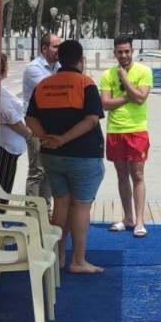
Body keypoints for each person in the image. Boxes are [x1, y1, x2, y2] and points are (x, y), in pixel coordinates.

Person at [25, 40, 105, 274]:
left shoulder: (45, 85)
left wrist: (46, 138)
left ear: (59, 60)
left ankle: (58, 257)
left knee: (60, 202)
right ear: (81, 60)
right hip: (83, 156)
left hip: (52, 156)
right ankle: (78, 260)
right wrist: (64, 138)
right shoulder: (85, 84)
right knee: (81, 206)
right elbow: (91, 120)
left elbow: (30, 119)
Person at [100, 36, 153, 238]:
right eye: (120, 51)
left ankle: (139, 221)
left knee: (137, 175)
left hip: (137, 129)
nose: (123, 55)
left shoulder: (143, 71)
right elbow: (105, 104)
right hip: (115, 130)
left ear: (133, 51)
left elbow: (141, 99)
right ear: (115, 53)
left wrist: (124, 80)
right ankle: (128, 217)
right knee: (121, 174)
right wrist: (129, 95)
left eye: (127, 51)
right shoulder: (107, 74)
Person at [22, 33, 61, 201]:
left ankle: (45, 213)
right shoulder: (34, 68)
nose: (59, 50)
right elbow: (52, 91)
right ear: (44, 49)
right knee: (37, 171)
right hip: (35, 126)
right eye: (55, 46)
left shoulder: (59, 67)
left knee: (49, 171)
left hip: (52, 125)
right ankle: (32, 215)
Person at [0, 54, 31, 193]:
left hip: (11, 149)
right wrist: (28, 133)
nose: (8, 67)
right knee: (2, 188)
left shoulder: (1, 89)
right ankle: (0, 213)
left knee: (6, 185)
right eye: (6, 65)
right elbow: (10, 117)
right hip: (6, 148)